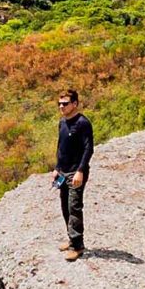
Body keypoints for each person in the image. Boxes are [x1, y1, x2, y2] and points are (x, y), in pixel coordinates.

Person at [53, 89, 94, 262]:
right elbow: (60, 147)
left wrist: (80, 171)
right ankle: (71, 239)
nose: (62, 106)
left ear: (75, 104)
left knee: (74, 207)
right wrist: (57, 168)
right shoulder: (62, 123)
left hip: (76, 173)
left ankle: (77, 246)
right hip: (63, 172)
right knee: (65, 206)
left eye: (65, 103)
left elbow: (88, 149)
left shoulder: (83, 123)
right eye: (59, 103)